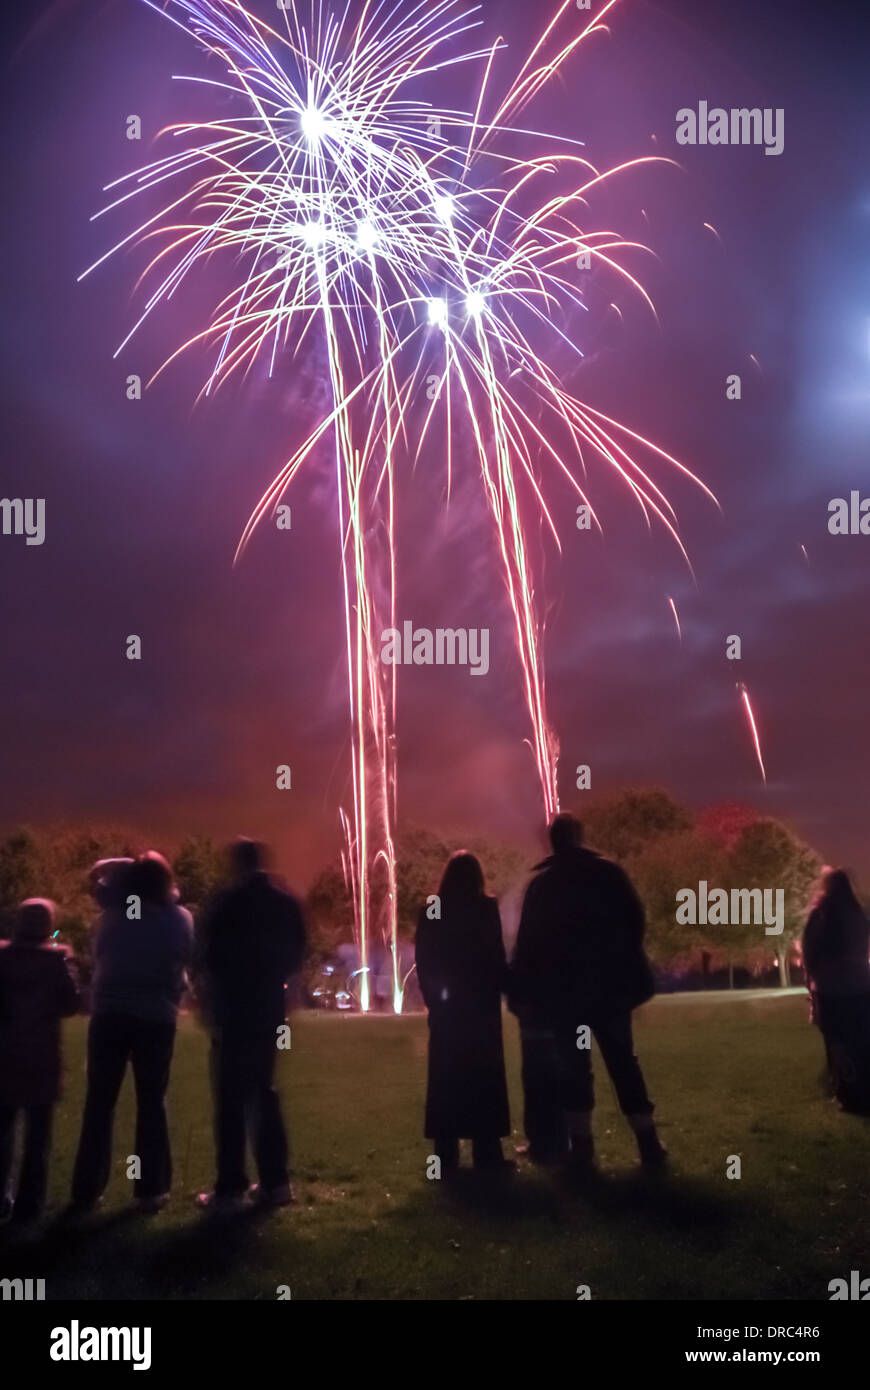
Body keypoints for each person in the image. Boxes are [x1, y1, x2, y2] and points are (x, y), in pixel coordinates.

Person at [509, 813, 665, 1172]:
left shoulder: (543, 884)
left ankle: (583, 1148)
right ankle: (647, 1142)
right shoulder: (609, 874)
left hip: (565, 999)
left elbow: (529, 944)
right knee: (623, 1062)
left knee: (576, 1068)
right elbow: (634, 922)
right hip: (610, 993)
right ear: (580, 837)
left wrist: (524, 990)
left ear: (552, 841)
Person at [71, 852, 193, 1214]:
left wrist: (124, 862)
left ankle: (87, 1189)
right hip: (157, 1017)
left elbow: (95, 874)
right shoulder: (181, 919)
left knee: (99, 1102)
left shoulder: (114, 911)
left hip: (110, 1013)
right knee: (152, 1102)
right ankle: (150, 1189)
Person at [196, 838, 306, 1213]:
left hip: (234, 1008)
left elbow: (208, 954)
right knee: (265, 1091)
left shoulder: (225, 902)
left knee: (230, 1098)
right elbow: (297, 951)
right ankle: (277, 1183)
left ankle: (230, 1187)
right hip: (269, 1007)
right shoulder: (285, 901)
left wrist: (213, 996)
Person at [415, 852, 511, 1175]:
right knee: (484, 1076)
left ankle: (445, 1155)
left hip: (447, 1010)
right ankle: (487, 1152)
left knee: (445, 1078)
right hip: (480, 1008)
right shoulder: (485, 908)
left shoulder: (433, 910)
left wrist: (434, 1000)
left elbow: (425, 961)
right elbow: (495, 957)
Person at [0, 900, 80, 1222]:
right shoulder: (58, 959)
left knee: (1, 1132)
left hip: (4, 1052)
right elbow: (72, 1003)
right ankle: (30, 1204)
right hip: (43, 1055)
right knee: (38, 1136)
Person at [802, 868, 870, 1114]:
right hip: (861, 986)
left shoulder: (820, 916)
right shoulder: (859, 915)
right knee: (859, 1041)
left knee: (837, 1043)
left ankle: (845, 1094)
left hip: (831, 987)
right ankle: (863, 1089)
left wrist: (811, 982)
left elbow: (809, 953)